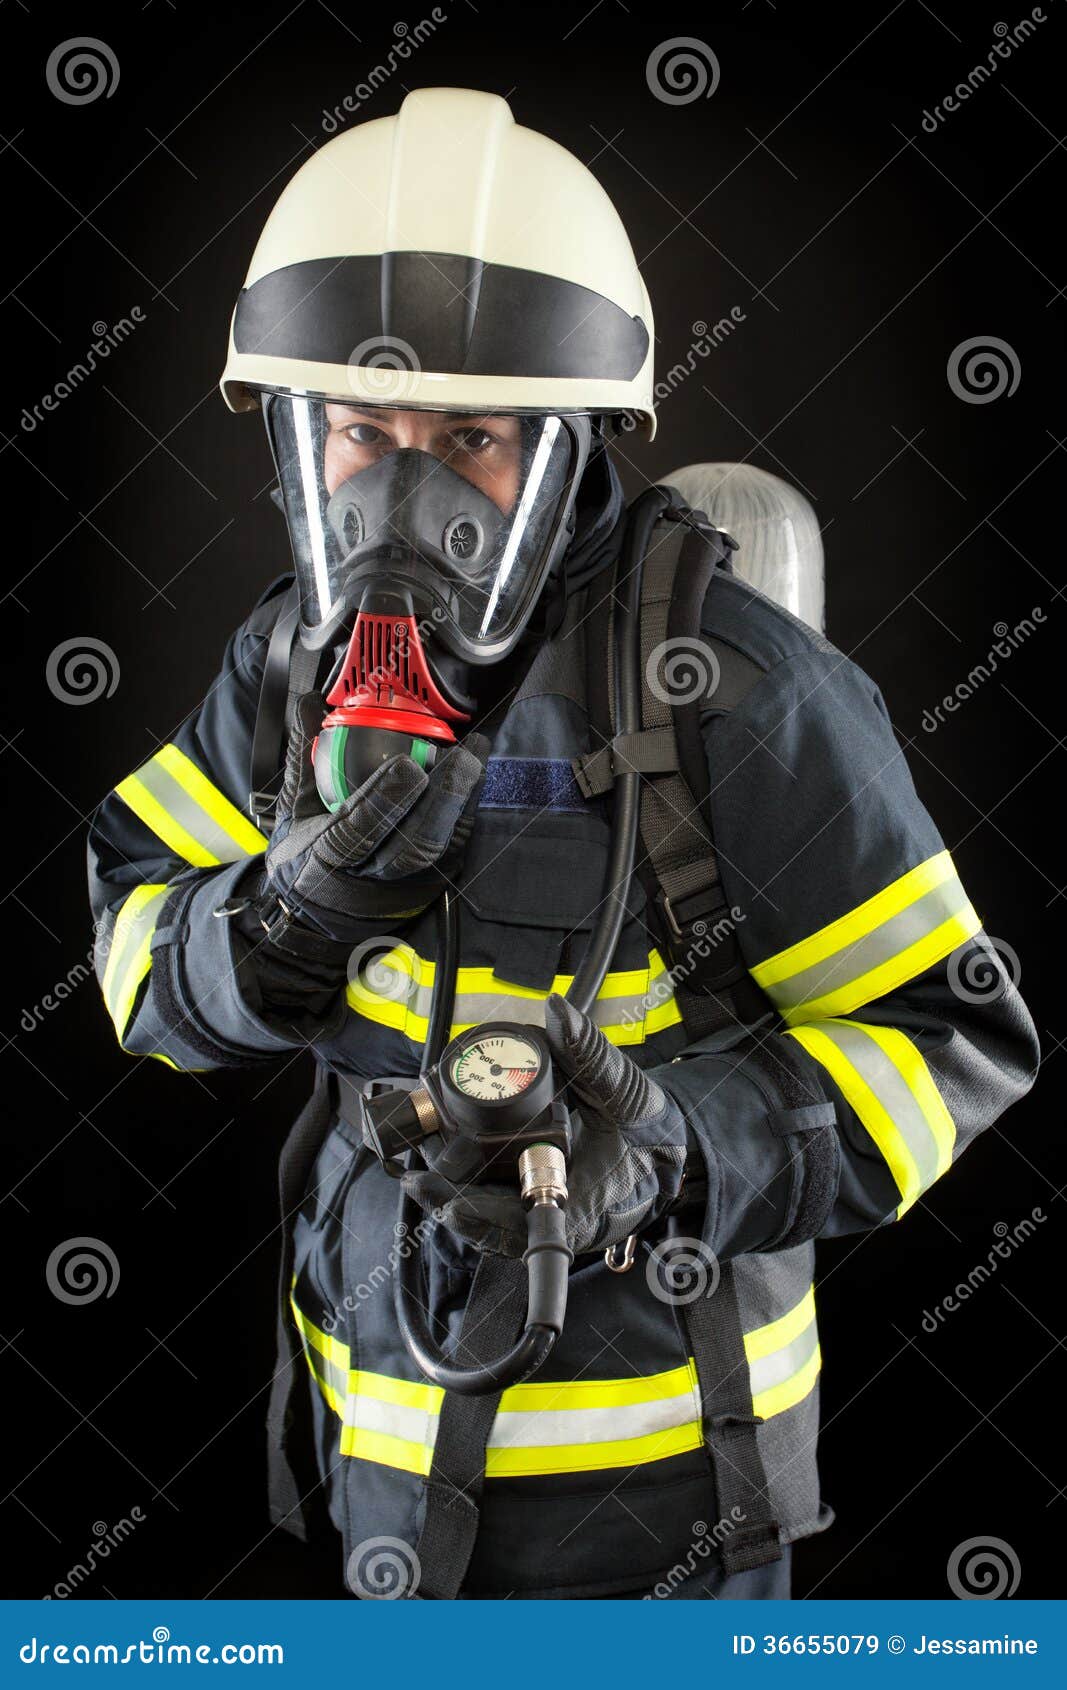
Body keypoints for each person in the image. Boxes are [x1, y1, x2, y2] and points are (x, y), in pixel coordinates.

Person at [87, 87, 1038, 1601]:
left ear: (566, 445)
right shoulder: (287, 674)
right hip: (375, 1494)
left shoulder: (731, 693)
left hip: (668, 1525)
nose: (403, 492)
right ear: (292, 436)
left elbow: (956, 1038)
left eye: (470, 438)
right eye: (358, 432)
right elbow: (133, 950)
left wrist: (668, 1145)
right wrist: (272, 928)